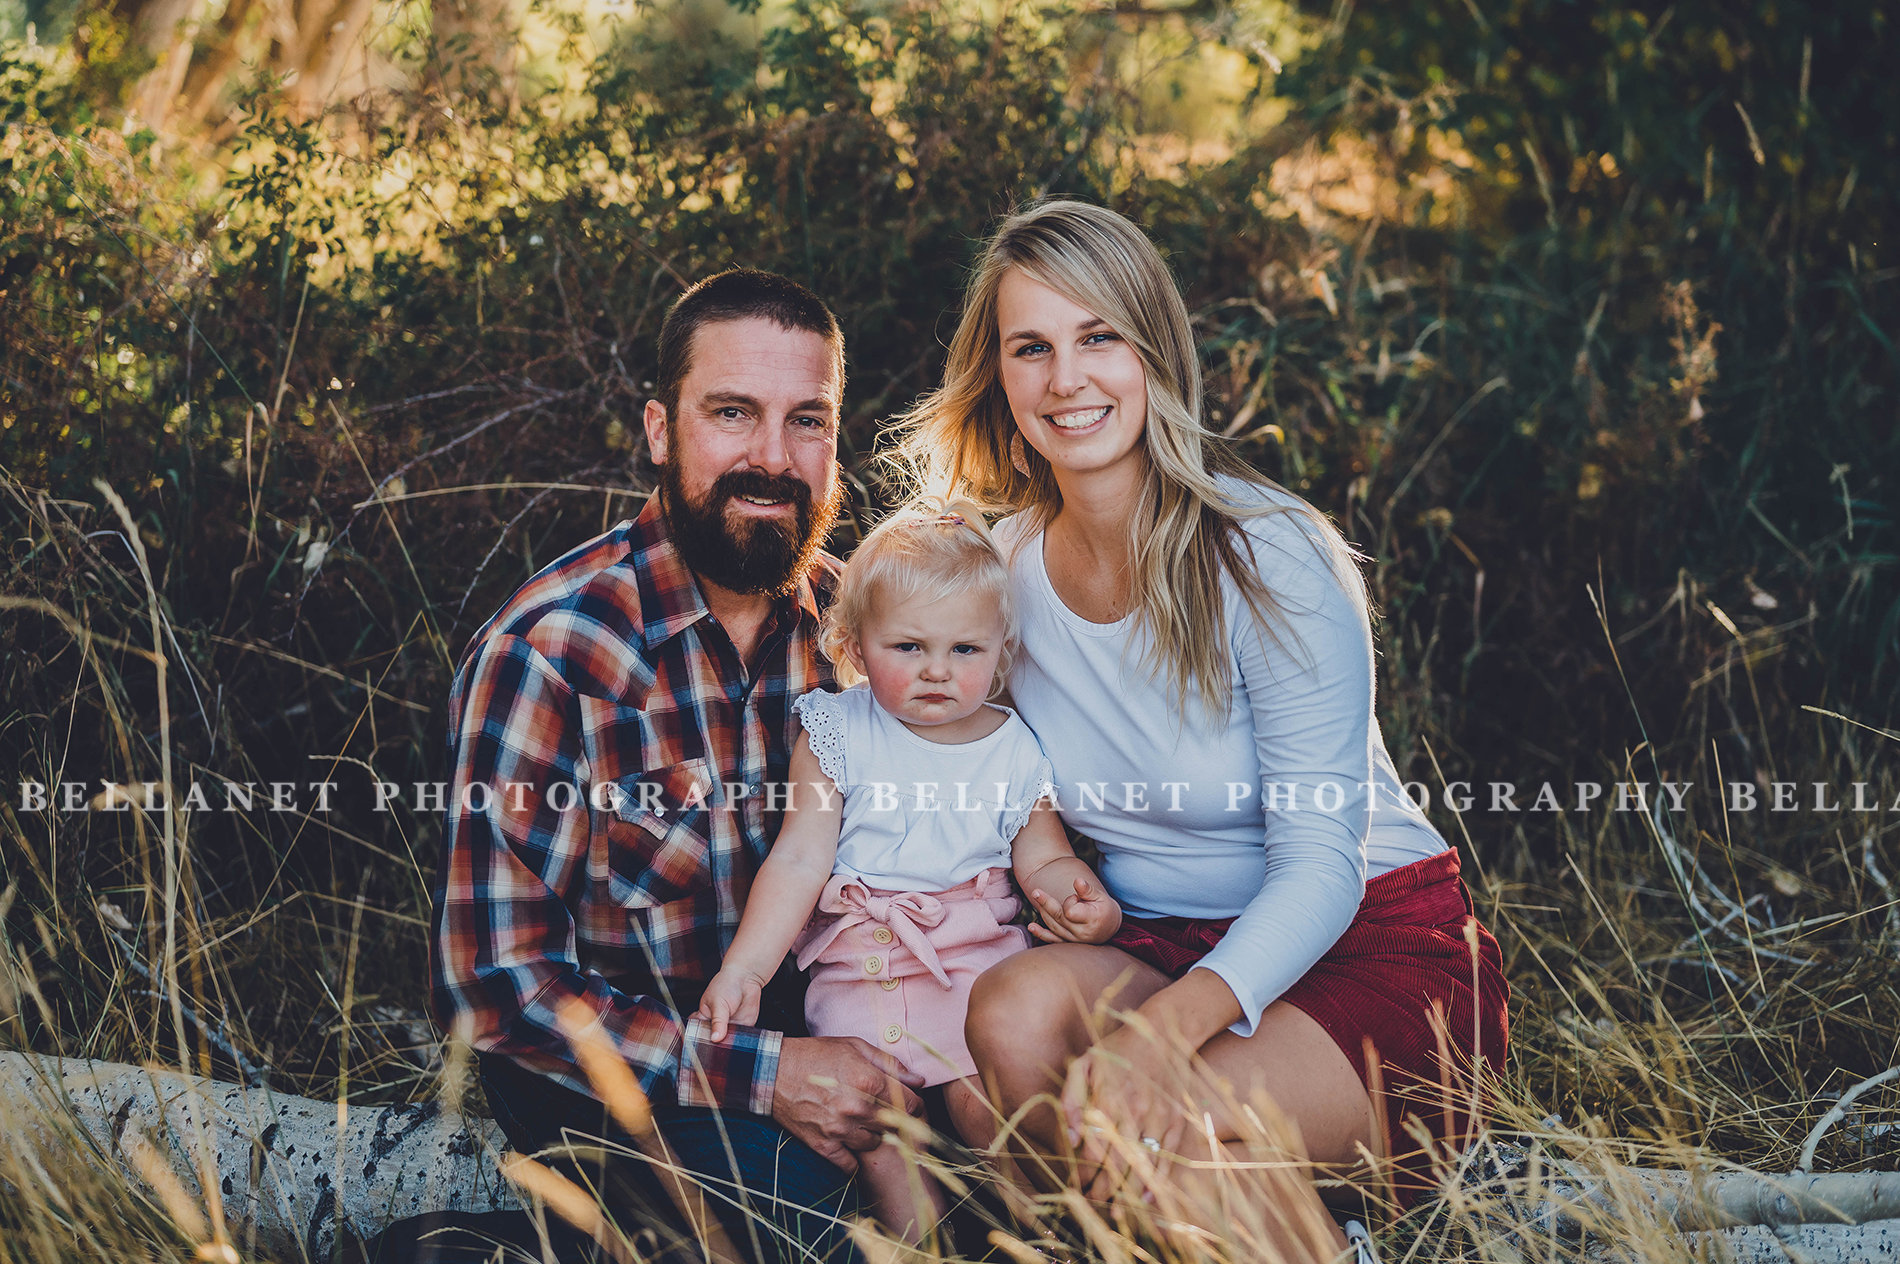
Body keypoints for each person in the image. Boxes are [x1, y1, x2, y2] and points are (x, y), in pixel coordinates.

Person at [891, 201, 1511, 1259]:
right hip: (1158, 947)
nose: (1066, 379)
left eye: (1099, 338)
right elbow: (936, 722)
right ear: (996, 377)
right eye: (1030, 348)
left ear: (1153, 352)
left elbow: (1322, 866)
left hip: (1366, 947)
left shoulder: (1265, 553)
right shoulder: (996, 576)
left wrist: (1154, 1047)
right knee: (1007, 1013)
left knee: (1152, 1117)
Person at [429, 268, 927, 1264]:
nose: (774, 459)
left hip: (839, 1039)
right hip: (615, 1081)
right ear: (661, 431)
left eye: (807, 421)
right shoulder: (553, 652)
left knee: (989, 1205)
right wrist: (769, 1073)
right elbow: (502, 989)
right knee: (812, 1240)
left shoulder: (861, 632)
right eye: (733, 414)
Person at [692, 502, 1120, 1242]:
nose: (936, 671)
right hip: (863, 975)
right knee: (882, 1136)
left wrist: (1079, 899)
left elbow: (1041, 852)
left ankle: (1048, 1240)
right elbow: (799, 858)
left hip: (973, 973)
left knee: (993, 1110)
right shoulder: (839, 730)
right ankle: (922, 1249)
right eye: (909, 646)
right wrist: (747, 972)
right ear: (855, 646)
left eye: (964, 650)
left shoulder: (1012, 745)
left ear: (1001, 650)